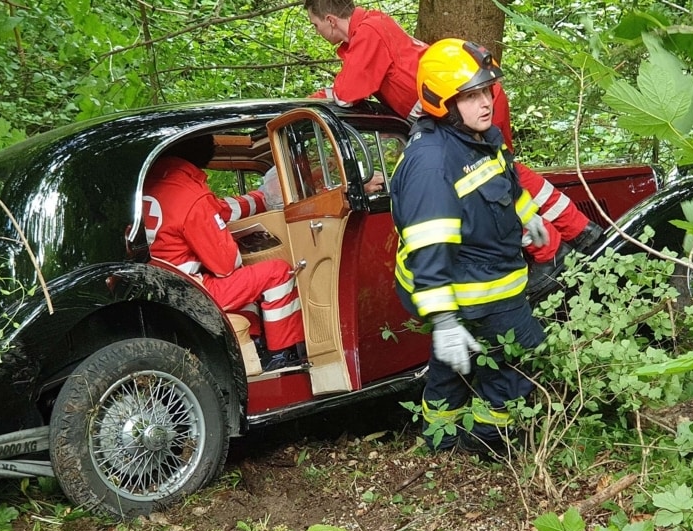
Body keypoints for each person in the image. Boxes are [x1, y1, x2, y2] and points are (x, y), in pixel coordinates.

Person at [302, 0, 602, 262]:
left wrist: (316, 97)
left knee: (493, 174)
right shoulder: (373, 25)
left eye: (315, 25)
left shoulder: (367, 34)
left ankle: (552, 252)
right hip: (469, 101)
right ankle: (576, 232)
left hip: (468, 102)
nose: (316, 31)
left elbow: (345, 94)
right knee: (502, 170)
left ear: (330, 20)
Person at [390, 38, 548, 453]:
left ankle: (438, 439)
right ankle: (487, 445)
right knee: (521, 359)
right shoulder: (432, 163)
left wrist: (527, 214)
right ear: (442, 102)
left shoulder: (479, 135)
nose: (486, 103)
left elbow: (505, 183)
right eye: (471, 95)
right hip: (470, 286)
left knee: (456, 361)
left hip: (484, 274)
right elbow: (429, 251)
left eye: (486, 91)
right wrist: (443, 320)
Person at [143, 136, 305, 370]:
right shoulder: (191, 194)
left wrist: (263, 198)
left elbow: (219, 209)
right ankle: (283, 354)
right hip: (193, 290)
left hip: (163, 287)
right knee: (277, 272)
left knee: (246, 289)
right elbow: (227, 265)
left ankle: (253, 347)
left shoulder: (153, 182)